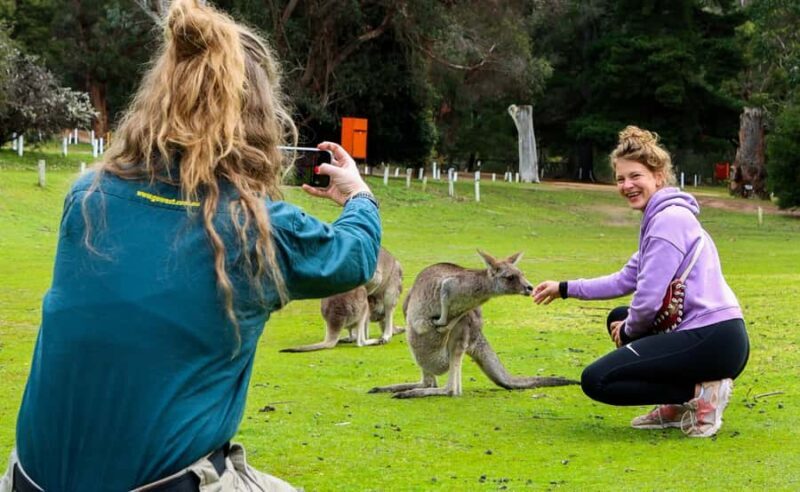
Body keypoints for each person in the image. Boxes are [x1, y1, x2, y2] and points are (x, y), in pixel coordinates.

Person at [0, 1, 380, 491]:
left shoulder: (89, 198)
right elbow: (357, 256)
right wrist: (358, 196)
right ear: (257, 118)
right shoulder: (254, 227)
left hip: (28, 481)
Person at [532, 126, 749, 438]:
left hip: (713, 339)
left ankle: (701, 393)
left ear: (658, 176)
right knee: (618, 315)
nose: (627, 185)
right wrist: (564, 288)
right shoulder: (664, 218)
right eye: (620, 179)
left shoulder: (668, 222)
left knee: (597, 380)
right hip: (715, 338)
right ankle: (677, 407)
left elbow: (647, 301)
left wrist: (628, 332)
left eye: (635, 176)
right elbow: (624, 279)